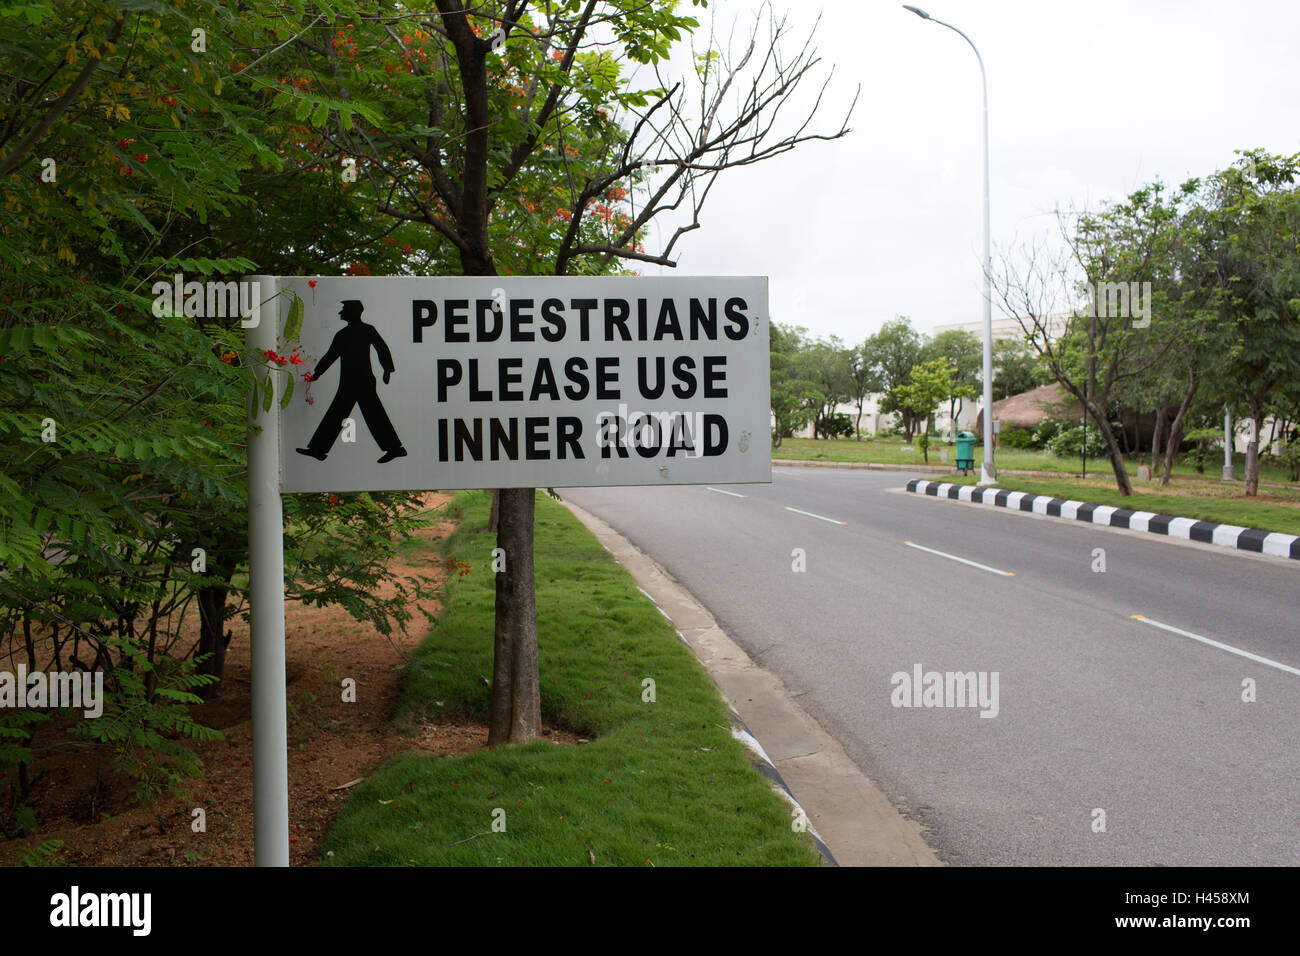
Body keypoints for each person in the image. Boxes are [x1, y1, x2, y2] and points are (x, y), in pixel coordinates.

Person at [295, 299, 407, 464]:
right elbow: (331, 356)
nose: (340, 313)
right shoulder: (345, 334)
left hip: (361, 381)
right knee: (344, 413)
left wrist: (388, 369)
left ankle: (395, 449)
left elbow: (381, 348)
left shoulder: (355, 332)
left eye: (344, 310)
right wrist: (317, 373)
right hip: (351, 381)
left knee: (370, 414)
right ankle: (318, 450)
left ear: (353, 312)